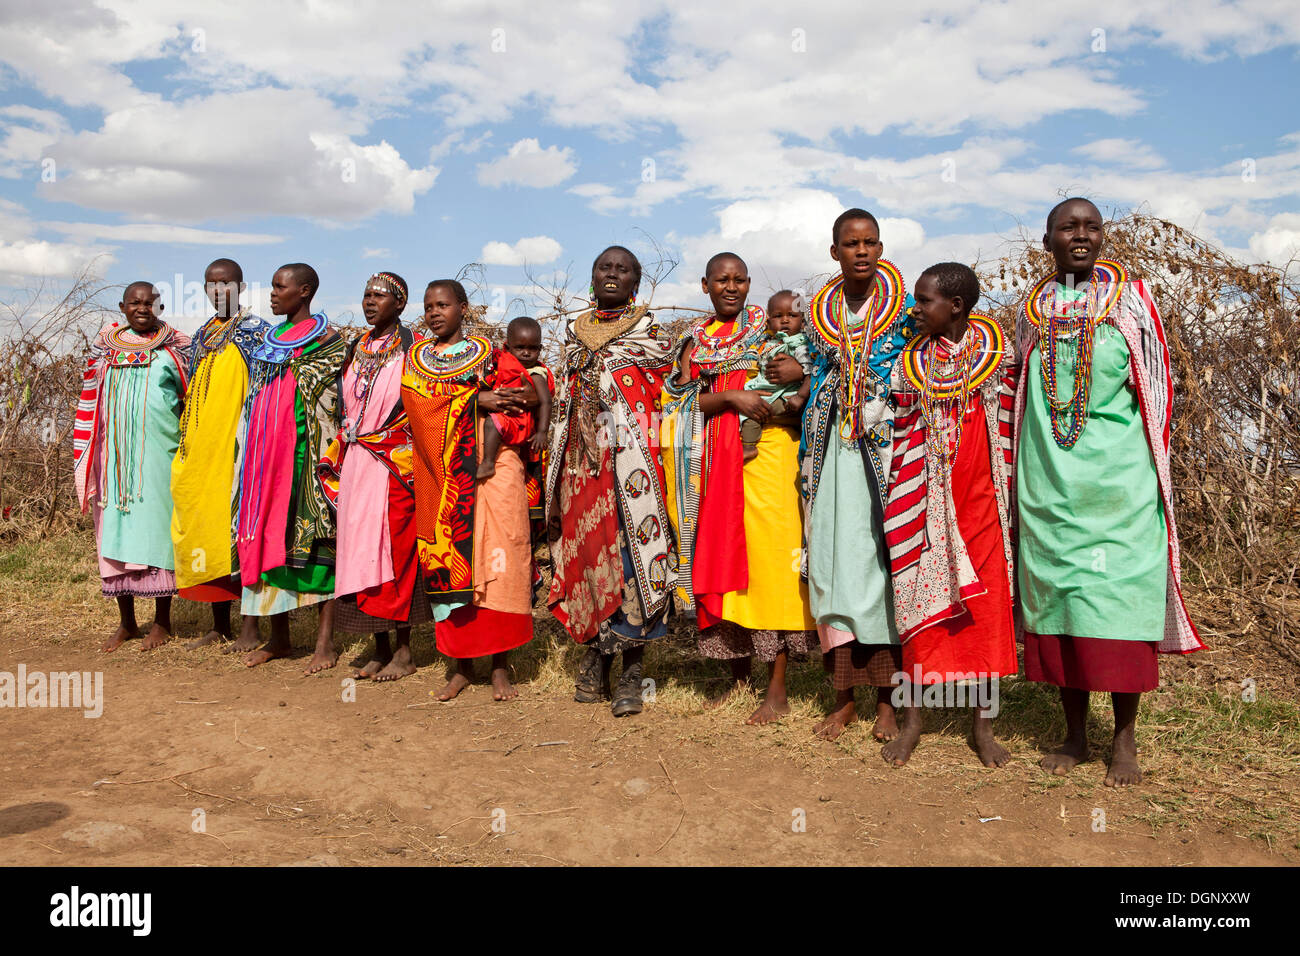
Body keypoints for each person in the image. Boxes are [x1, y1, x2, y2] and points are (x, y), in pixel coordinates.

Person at [1014, 197, 1203, 786]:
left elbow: (1156, 390)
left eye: (1091, 227)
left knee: (1118, 601)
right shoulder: (1030, 312)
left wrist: (1152, 472)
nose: (1081, 235)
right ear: (1046, 241)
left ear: (1103, 237)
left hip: (1119, 484)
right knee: (1062, 600)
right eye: (1067, 227)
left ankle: (1124, 741)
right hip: (1048, 483)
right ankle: (1074, 734)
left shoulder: (1133, 302)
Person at [662, 254, 817, 724]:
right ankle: (736, 678)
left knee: (771, 565)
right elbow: (679, 401)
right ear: (705, 285)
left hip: (770, 454)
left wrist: (790, 387)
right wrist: (731, 396)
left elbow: (807, 381)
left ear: (749, 283)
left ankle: (777, 687)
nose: (731, 287)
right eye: (721, 281)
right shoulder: (694, 342)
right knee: (726, 561)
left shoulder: (773, 326)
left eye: (739, 279)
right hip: (711, 460)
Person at [880, 262, 1018, 767]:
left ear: (955, 307)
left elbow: (1012, 420)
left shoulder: (1000, 357)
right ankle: (914, 722)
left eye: (924, 301)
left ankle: (983, 729)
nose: (915, 310)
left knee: (987, 608)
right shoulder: (908, 362)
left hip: (981, 496)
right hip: (922, 498)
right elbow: (895, 428)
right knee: (917, 602)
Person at [799, 208, 917, 741]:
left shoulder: (907, 310)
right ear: (835, 251)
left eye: (870, 242)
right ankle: (843, 696)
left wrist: (882, 398)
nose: (862, 251)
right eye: (851, 244)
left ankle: (888, 702)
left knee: (880, 565)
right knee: (831, 563)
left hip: (884, 450)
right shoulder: (817, 314)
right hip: (831, 452)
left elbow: (918, 371)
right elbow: (816, 375)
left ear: (881, 247)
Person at [547, 245, 676, 717]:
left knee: (633, 563)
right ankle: (596, 658)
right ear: (593, 275)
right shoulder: (573, 333)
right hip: (582, 469)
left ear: (636, 283)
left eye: (623, 270)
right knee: (587, 559)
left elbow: (667, 397)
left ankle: (633, 670)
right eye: (605, 267)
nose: (612, 275)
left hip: (632, 471)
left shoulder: (651, 335)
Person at [401, 279, 535, 701]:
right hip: (442, 482)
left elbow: (524, 396)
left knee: (499, 564)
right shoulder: (417, 359)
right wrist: (478, 400)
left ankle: (499, 667)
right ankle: (460, 668)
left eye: (443, 304)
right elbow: (417, 406)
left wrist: (498, 400)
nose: (434, 312)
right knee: (454, 568)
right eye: (428, 306)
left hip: (493, 476)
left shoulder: (491, 354)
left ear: (463, 308)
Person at [234, 263, 346, 671]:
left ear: (305, 291)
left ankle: (324, 643)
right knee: (270, 539)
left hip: (308, 453)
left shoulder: (329, 341)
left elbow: (334, 398)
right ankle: (278, 638)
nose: (272, 294)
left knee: (316, 543)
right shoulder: (270, 338)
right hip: (265, 455)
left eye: (280, 287)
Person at [318, 272, 430, 681]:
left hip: (395, 466)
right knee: (361, 553)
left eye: (380, 295)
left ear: (399, 304)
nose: (370, 301)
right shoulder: (357, 348)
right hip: (357, 463)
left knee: (396, 552)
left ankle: (404, 652)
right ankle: (379, 648)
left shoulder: (416, 348)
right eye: (366, 294)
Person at [74, 281, 190, 651]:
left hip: (159, 456)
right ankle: (126, 623)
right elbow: (91, 401)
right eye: (134, 303)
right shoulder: (104, 353)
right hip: (114, 457)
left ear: (159, 306)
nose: (142, 308)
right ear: (122, 307)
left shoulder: (175, 351)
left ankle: (162, 622)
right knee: (115, 532)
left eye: (149, 303)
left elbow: (190, 400)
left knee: (158, 530)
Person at [171, 258, 271, 649]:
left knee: (239, 530)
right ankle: (219, 624)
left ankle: (251, 626)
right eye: (212, 284)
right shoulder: (200, 336)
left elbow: (264, 390)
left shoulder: (257, 333)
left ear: (241, 288)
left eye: (226, 283)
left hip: (239, 447)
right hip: (201, 449)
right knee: (208, 531)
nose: (219, 291)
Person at [739, 290, 812, 462]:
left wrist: (800, 396)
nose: (785, 320)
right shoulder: (765, 343)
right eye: (778, 316)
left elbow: (811, 371)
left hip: (788, 396)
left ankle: (749, 445)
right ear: (769, 321)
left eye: (792, 315)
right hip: (769, 391)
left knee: (753, 413)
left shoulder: (801, 344)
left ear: (802, 322)